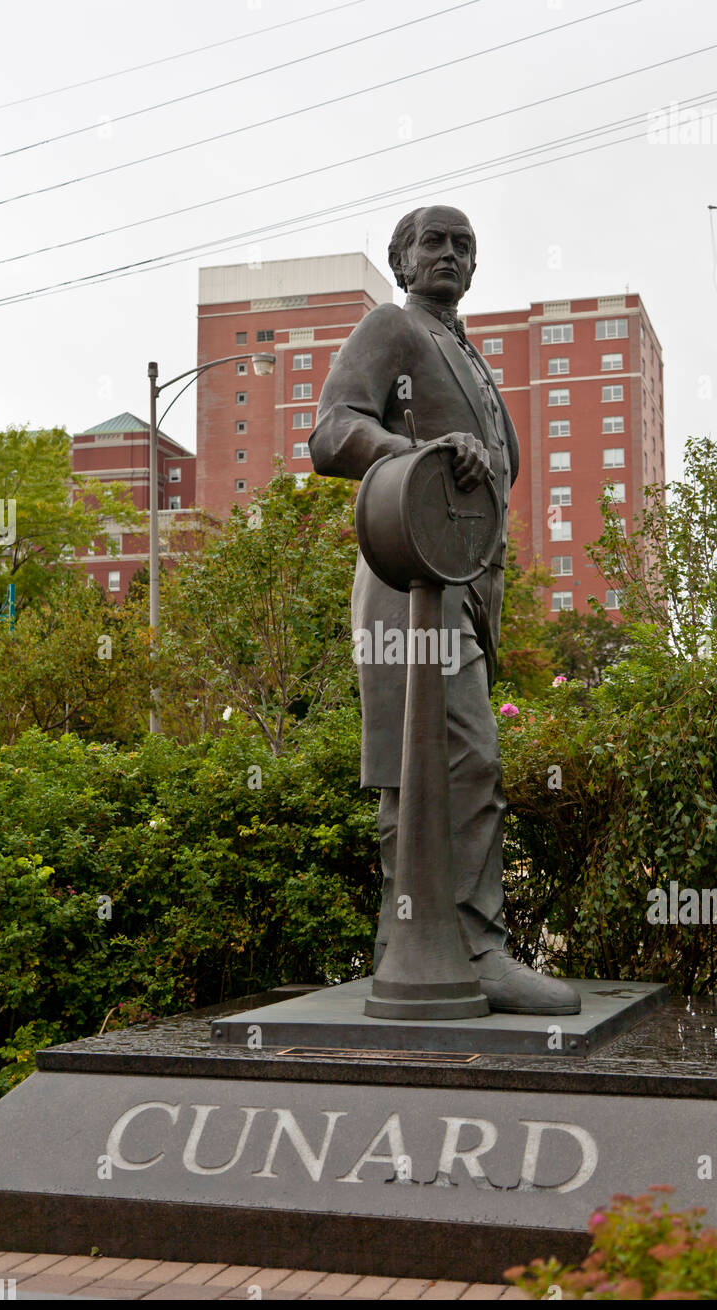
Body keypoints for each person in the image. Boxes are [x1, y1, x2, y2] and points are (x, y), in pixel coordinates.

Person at [310, 205, 580, 1014]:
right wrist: (417, 453)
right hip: (406, 579)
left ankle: (408, 950)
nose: (451, 255)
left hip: (464, 584)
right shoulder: (394, 327)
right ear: (401, 259)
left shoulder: (469, 355)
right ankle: (476, 946)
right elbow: (331, 433)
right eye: (435, 241)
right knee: (462, 757)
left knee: (422, 769)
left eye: (465, 245)